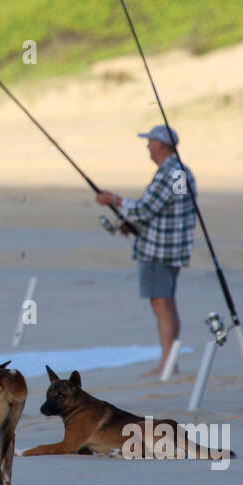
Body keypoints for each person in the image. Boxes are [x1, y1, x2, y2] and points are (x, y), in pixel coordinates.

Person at [95, 125, 196, 378]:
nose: (147, 147)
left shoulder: (169, 173)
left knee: (161, 303)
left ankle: (168, 364)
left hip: (159, 251)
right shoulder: (181, 172)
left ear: (161, 145)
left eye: (150, 142)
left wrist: (114, 200)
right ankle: (169, 361)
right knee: (166, 301)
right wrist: (133, 225)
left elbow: (144, 209)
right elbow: (165, 211)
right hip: (170, 247)